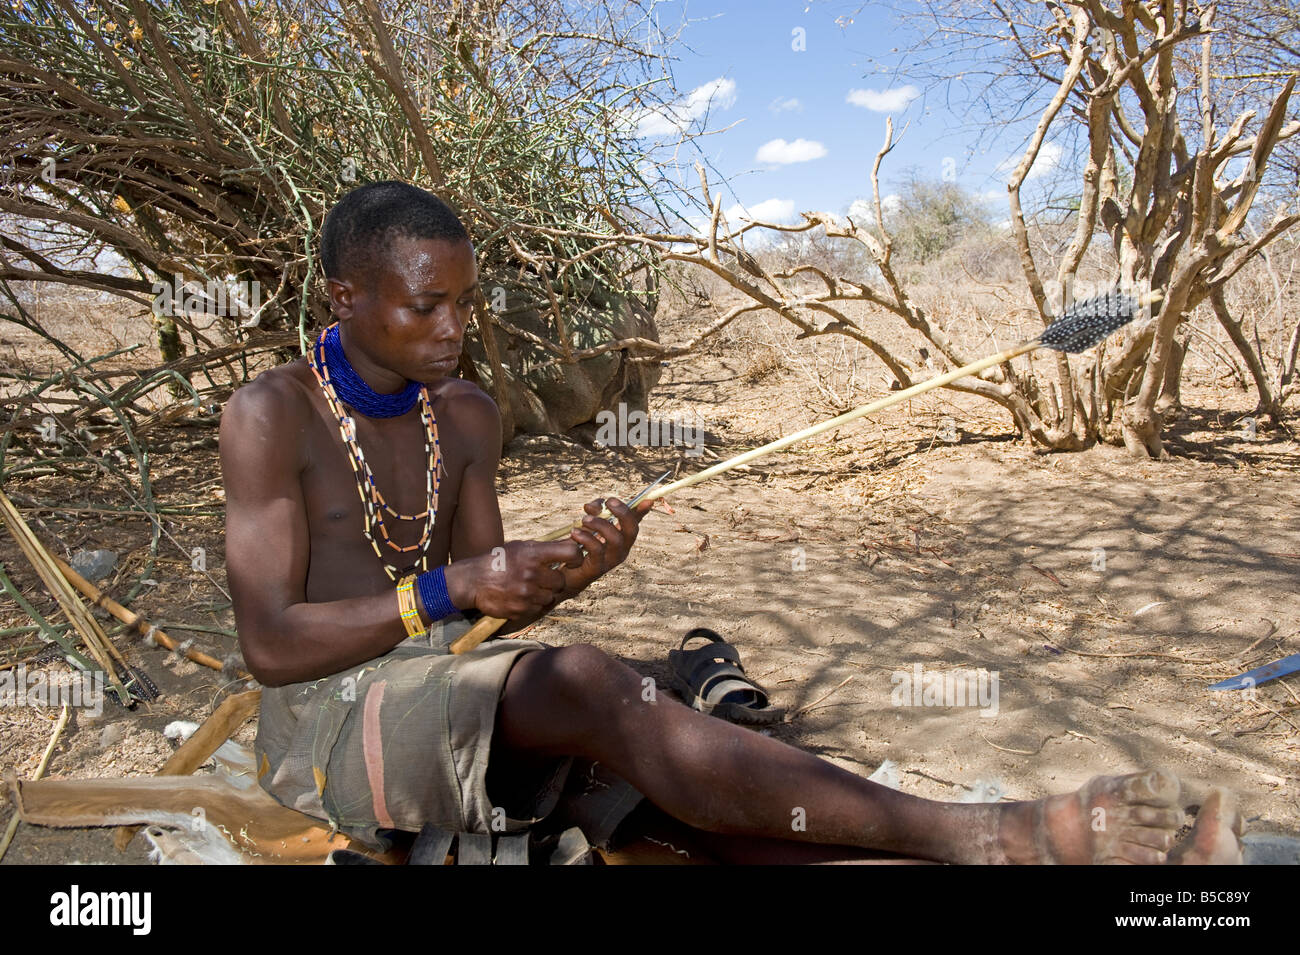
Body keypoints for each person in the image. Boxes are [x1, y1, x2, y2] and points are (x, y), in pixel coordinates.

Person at [219, 180, 1241, 864]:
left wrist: (572, 568)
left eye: (464, 303)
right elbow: (270, 645)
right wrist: (453, 590)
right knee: (591, 688)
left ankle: (1070, 844)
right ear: (343, 295)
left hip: (439, 679)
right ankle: (994, 831)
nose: (452, 329)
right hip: (324, 719)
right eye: (423, 306)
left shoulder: (468, 414)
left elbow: (493, 602)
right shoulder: (272, 415)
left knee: (651, 736)